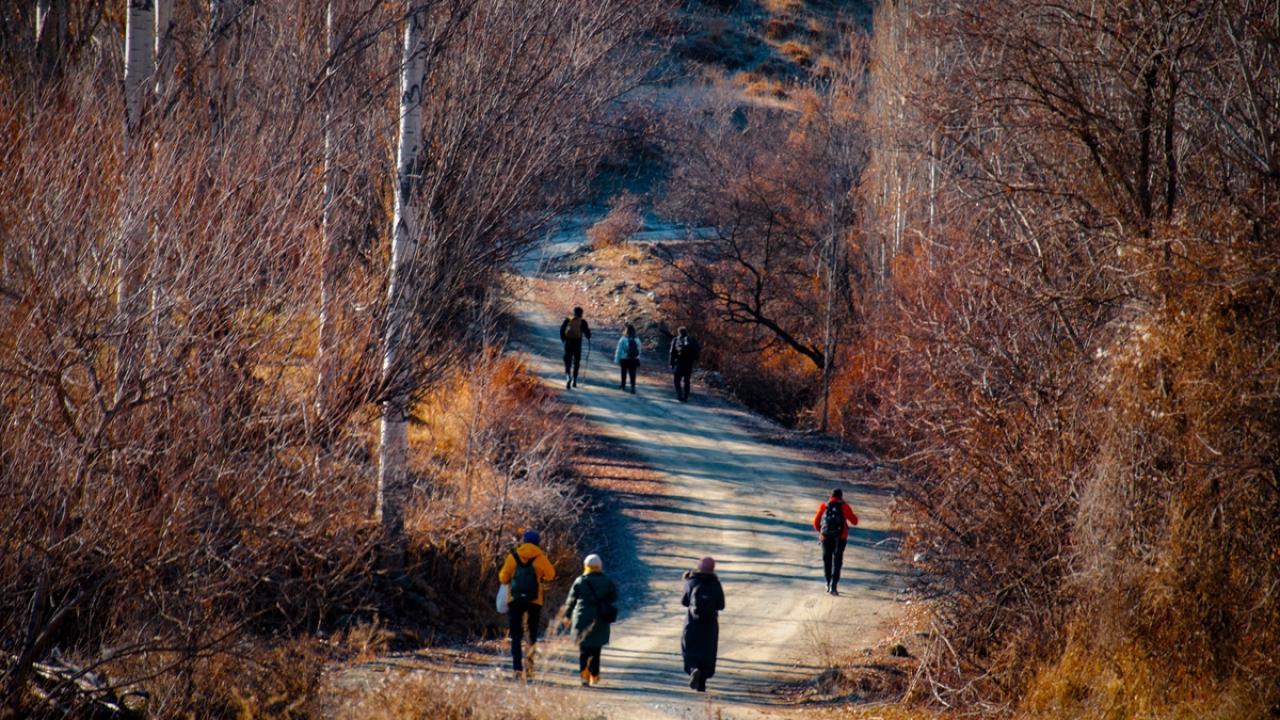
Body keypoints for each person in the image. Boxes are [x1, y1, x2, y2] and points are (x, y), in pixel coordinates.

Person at [498, 529, 557, 679]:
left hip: (515, 600)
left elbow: (503, 577)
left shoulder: (513, 556)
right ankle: (530, 669)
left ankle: (517, 669)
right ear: (538, 542)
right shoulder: (540, 557)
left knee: (516, 635)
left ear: (523, 541)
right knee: (531, 635)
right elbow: (551, 575)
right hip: (534, 600)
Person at [562, 553, 619, 687]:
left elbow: (571, 600)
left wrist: (567, 615)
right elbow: (614, 597)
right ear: (599, 566)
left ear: (586, 566)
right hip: (600, 617)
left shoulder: (580, 580)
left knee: (584, 649)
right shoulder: (607, 581)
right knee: (596, 649)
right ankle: (595, 675)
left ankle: (584, 676)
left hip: (582, 617)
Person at [681, 556, 724, 692]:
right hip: (710, 625)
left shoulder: (691, 581)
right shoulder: (715, 583)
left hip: (692, 623)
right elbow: (721, 605)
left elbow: (684, 601)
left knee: (689, 648)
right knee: (708, 651)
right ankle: (702, 684)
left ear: (699, 567)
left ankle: (694, 669)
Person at [812, 488, 859, 596]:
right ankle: (834, 585)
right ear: (841, 497)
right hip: (840, 537)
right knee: (837, 561)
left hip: (826, 537)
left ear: (831, 496)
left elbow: (815, 522)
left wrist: (822, 532)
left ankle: (827, 583)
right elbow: (855, 521)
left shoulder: (824, 506)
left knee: (827, 559)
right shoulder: (844, 506)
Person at [560, 307, 592, 389]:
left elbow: (562, 329)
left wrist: (563, 339)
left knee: (568, 360)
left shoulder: (568, 320)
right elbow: (587, 333)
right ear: (581, 313)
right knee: (576, 362)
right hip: (577, 343)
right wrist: (588, 336)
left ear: (574, 313)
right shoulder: (583, 322)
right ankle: (575, 379)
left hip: (568, 343)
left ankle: (568, 376)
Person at [668, 326, 700, 402]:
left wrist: (671, 363)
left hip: (679, 362)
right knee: (687, 380)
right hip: (689, 363)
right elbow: (698, 348)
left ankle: (679, 394)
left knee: (677, 380)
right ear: (686, 332)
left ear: (679, 332)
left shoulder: (676, 339)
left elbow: (672, 352)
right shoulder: (691, 339)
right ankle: (685, 397)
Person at [613, 324, 641, 393]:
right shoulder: (637, 339)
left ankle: (623, 385)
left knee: (624, 372)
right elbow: (639, 350)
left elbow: (618, 350)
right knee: (633, 373)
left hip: (624, 359)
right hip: (634, 359)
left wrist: (617, 359)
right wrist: (638, 358)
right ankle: (633, 387)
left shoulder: (623, 339)